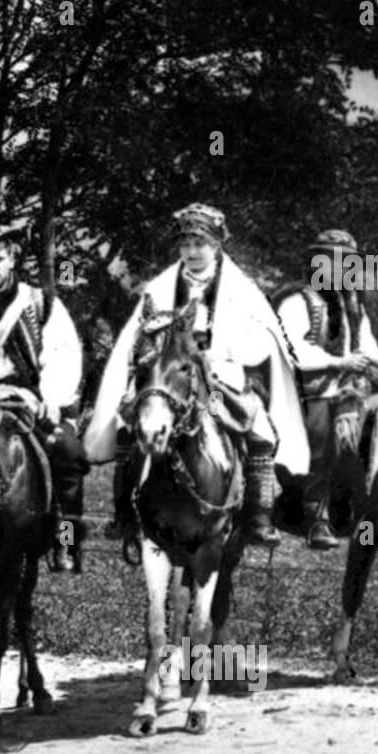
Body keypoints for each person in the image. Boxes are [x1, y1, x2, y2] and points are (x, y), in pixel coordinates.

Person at [85, 204, 309, 547]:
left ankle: (257, 518)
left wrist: (222, 351)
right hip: (170, 375)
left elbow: (263, 338)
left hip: (219, 378)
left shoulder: (241, 289)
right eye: (185, 245)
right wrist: (159, 351)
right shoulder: (160, 288)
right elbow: (138, 336)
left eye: (200, 244)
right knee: (129, 426)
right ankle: (124, 515)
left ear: (217, 245)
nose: (191, 252)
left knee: (259, 430)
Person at [0, 223, 89, 572]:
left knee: (68, 454)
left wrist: (42, 397)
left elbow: (63, 354)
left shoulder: (43, 303)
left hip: (33, 400)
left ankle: (65, 542)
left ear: (12, 259)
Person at [272, 229, 378, 549]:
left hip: (346, 390)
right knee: (322, 430)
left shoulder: (354, 306)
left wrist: (376, 366)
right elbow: (293, 352)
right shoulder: (296, 301)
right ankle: (316, 517)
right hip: (303, 390)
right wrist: (342, 363)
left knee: (377, 426)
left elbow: (370, 350)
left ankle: (360, 504)